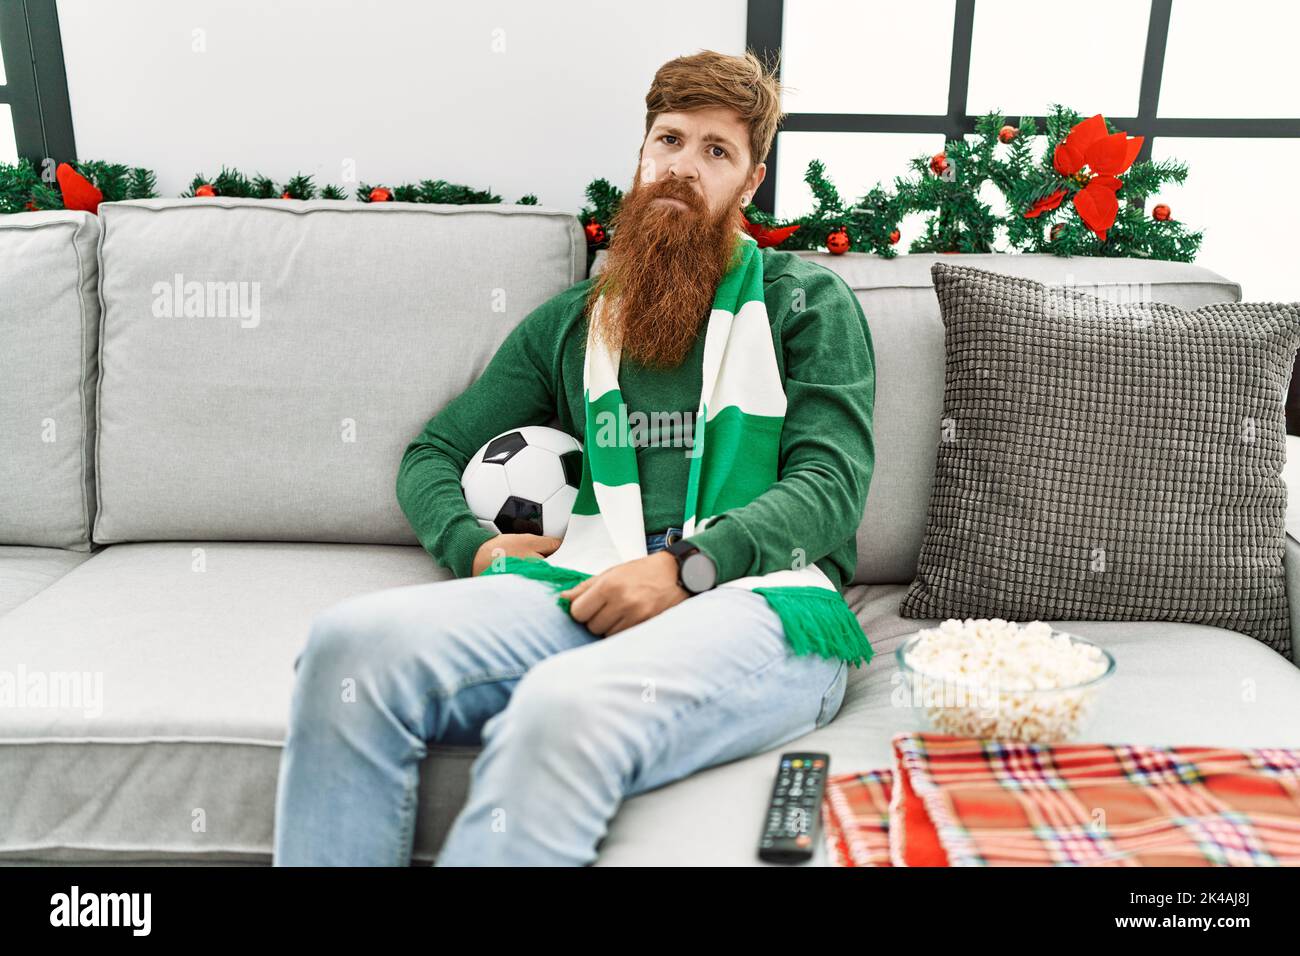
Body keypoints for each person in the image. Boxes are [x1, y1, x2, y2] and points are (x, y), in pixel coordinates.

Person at [272, 48, 876, 866]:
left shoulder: (806, 303)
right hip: (596, 581)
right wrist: (476, 546)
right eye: (669, 140)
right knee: (349, 647)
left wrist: (685, 569)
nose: (683, 168)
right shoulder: (572, 324)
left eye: (715, 151)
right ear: (641, 153)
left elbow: (830, 486)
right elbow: (434, 451)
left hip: (764, 605)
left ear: (750, 182)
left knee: (562, 705)